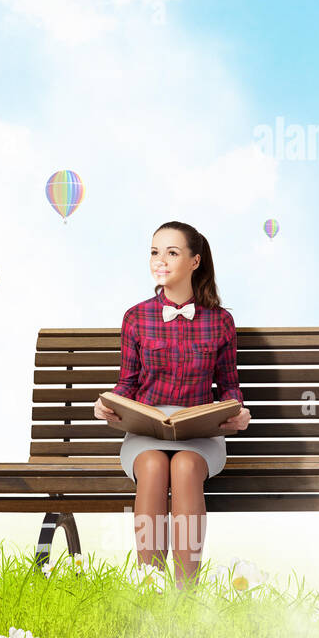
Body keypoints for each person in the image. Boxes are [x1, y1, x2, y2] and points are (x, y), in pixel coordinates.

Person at [92, 221, 251, 590]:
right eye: (154, 251)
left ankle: (185, 590)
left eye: (172, 252)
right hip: (146, 430)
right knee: (151, 466)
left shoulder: (220, 321)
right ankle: (149, 583)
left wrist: (237, 412)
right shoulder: (136, 317)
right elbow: (127, 383)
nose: (160, 260)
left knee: (183, 468)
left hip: (199, 435)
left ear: (195, 261)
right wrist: (109, 405)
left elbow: (230, 387)